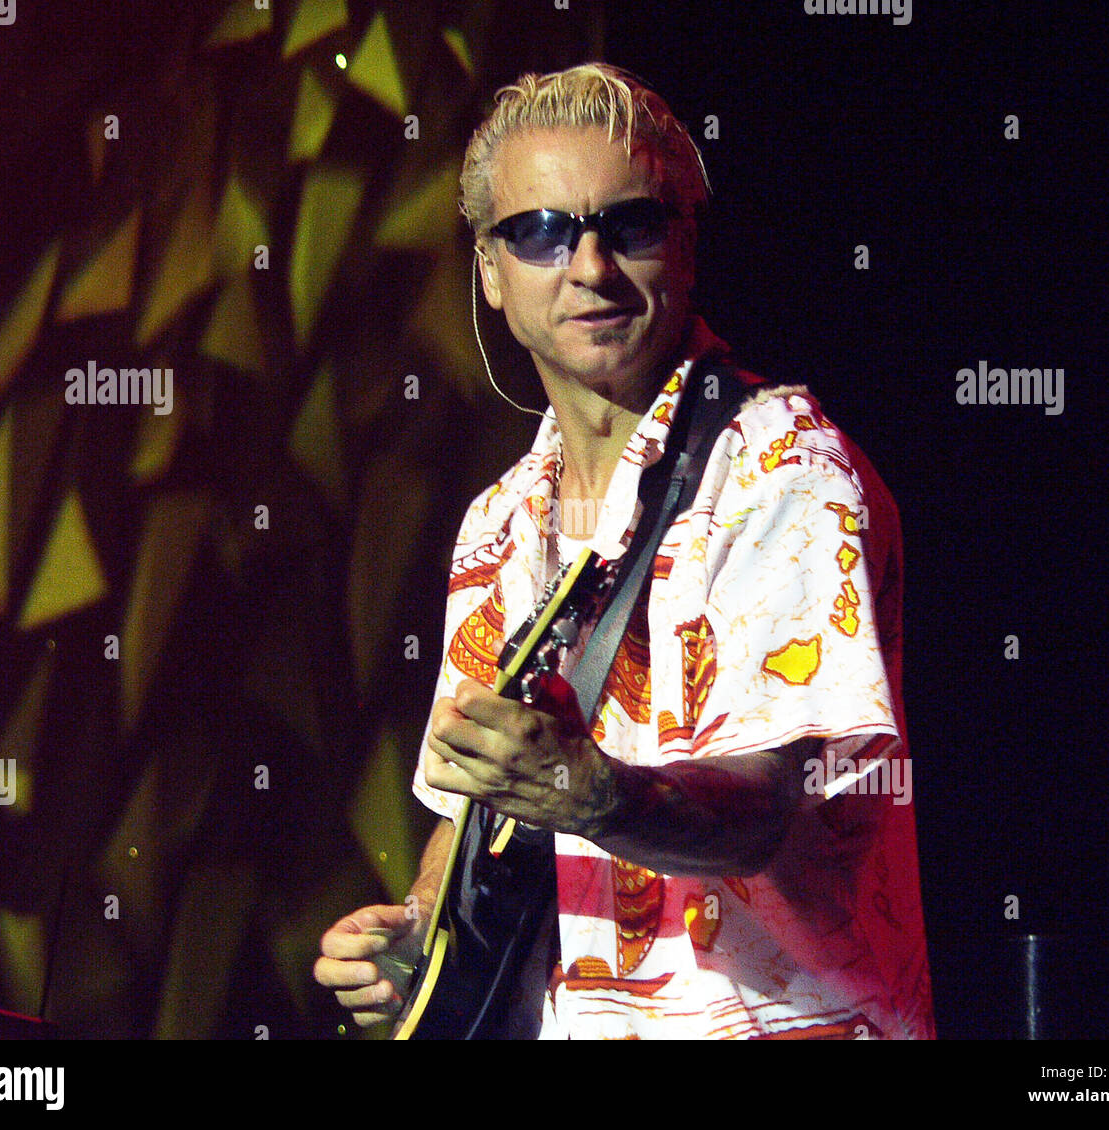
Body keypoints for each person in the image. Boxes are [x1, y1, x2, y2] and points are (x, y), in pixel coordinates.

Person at [315, 62, 934, 1039]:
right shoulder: (499, 522)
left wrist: (592, 790)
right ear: (488, 268)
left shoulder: (778, 464)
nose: (590, 269)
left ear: (686, 241)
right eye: (541, 232)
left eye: (628, 224)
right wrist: (418, 940)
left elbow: (759, 808)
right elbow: (474, 816)